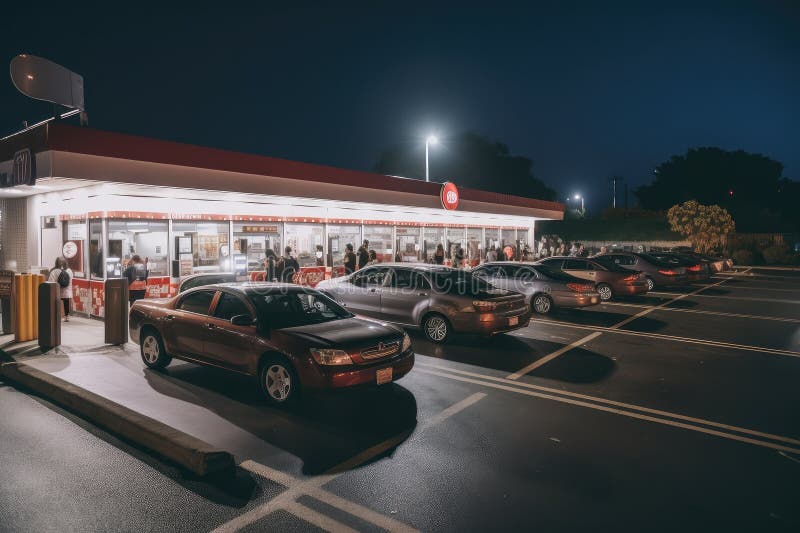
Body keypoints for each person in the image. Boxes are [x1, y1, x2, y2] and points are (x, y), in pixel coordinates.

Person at [48, 257, 73, 322]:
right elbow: (70, 281)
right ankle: (67, 316)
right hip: (66, 290)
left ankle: (56, 315)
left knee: (55, 302)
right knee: (66, 302)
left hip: (57, 290)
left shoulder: (54, 271)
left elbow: (51, 281)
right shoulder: (69, 270)